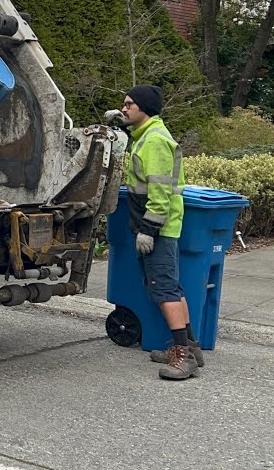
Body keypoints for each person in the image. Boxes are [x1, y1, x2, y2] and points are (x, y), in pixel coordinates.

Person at [121, 85, 201, 380]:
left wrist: (148, 230)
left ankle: (183, 357)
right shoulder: (148, 135)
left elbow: (160, 193)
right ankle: (190, 346)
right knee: (171, 287)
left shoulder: (153, 141)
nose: (124, 108)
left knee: (163, 289)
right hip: (163, 227)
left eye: (129, 104)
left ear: (144, 108)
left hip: (158, 228)